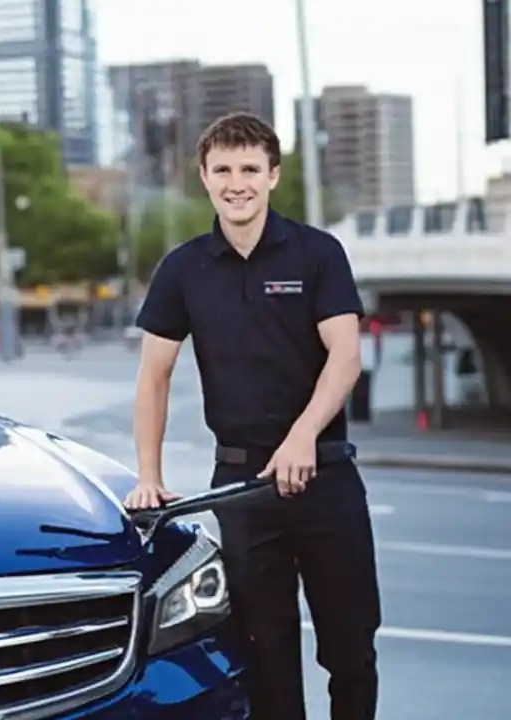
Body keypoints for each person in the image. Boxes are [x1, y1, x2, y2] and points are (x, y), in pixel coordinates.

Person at [124, 111, 381, 720]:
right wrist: (148, 474)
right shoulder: (183, 268)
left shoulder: (318, 253)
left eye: (249, 169)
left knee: (350, 653)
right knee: (266, 661)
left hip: (325, 477)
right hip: (241, 492)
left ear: (273, 176)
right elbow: (154, 374)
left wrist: (300, 438)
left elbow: (345, 358)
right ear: (205, 179)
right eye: (222, 170)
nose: (236, 182)